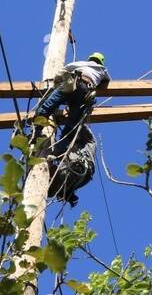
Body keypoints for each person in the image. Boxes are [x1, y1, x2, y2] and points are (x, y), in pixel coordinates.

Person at [33, 53, 109, 205]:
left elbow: (61, 72)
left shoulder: (80, 63)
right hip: (85, 94)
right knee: (70, 129)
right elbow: (106, 81)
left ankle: (37, 129)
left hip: (73, 86)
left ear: (90, 59)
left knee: (47, 106)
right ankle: (62, 186)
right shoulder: (102, 70)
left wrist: (55, 83)